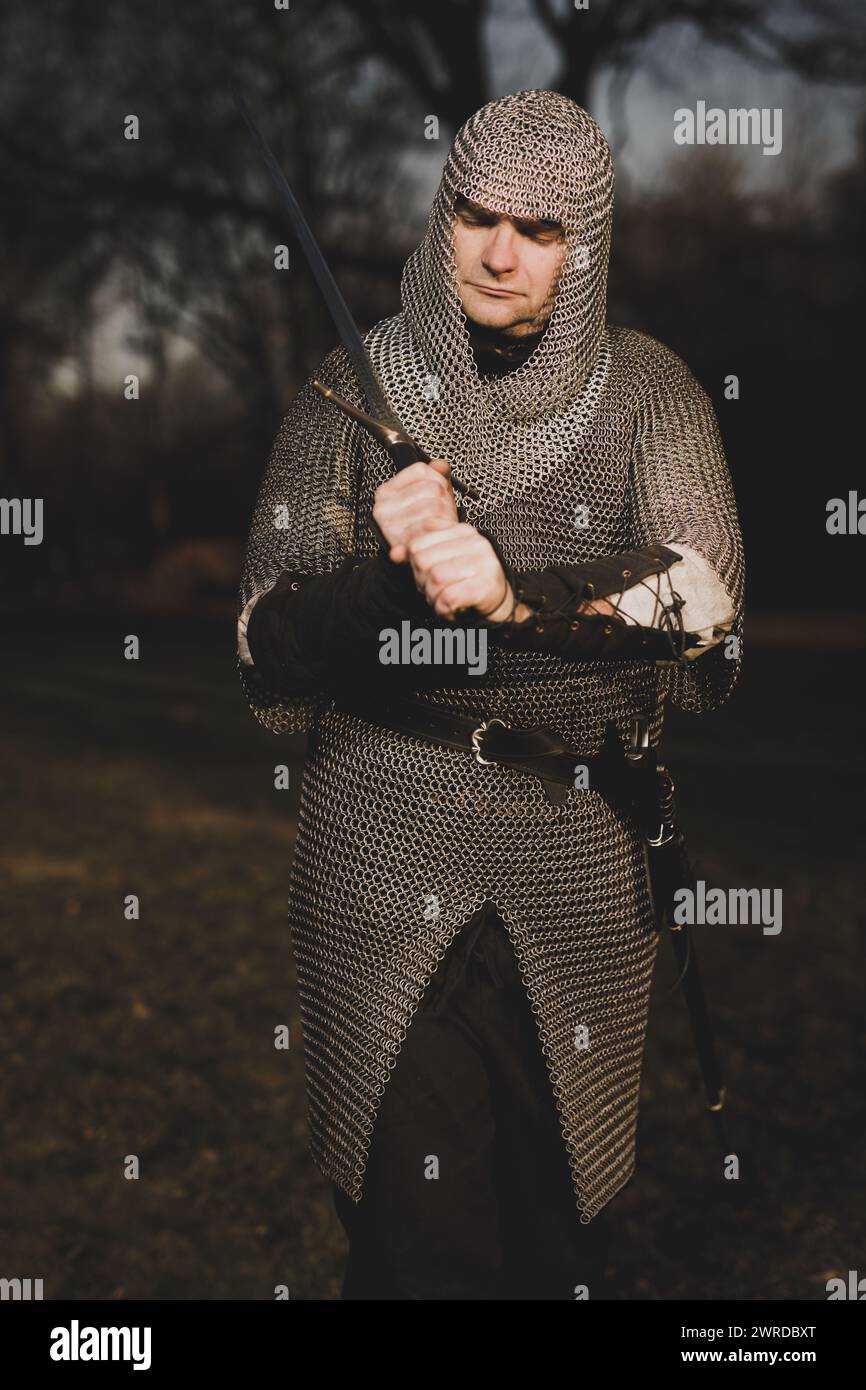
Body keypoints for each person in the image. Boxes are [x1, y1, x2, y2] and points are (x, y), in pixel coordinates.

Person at [235, 89, 744, 1300]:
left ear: (586, 245)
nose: (501, 251)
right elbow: (263, 644)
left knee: (555, 1249)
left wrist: (513, 591)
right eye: (476, 214)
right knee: (426, 1253)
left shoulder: (646, 392)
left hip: (577, 858)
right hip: (383, 848)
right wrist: (387, 576)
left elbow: (703, 594)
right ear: (441, 212)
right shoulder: (348, 392)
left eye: (540, 227)